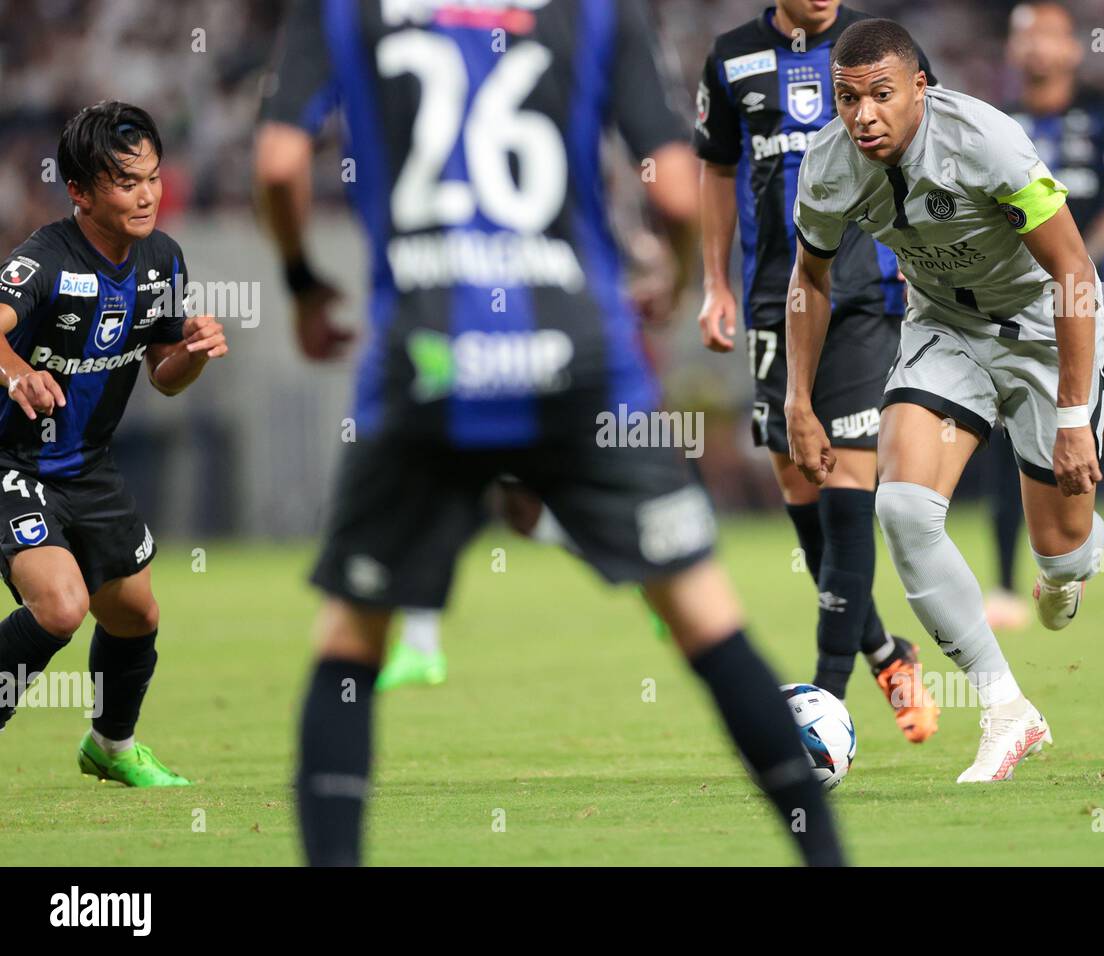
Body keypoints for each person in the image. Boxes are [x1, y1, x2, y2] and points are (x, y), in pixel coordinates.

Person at [255, 0, 844, 865]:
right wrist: (676, 277)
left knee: (352, 640)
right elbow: (678, 187)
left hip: (428, 362)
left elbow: (276, 164)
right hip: (580, 362)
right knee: (703, 616)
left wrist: (305, 284)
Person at [788, 18, 1104, 782]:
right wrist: (798, 397)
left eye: (881, 95)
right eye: (846, 98)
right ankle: (1007, 710)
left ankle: (1068, 569)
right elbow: (811, 279)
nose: (862, 115)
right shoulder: (829, 164)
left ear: (920, 90)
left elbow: (1074, 270)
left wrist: (1070, 418)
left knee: (1059, 550)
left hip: (1037, 329)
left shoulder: (986, 140)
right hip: (944, 331)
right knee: (899, 508)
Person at [694, 0, 939, 741]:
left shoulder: (875, 45)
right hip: (777, 298)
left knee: (846, 486)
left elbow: (934, 142)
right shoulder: (732, 56)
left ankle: (824, 706)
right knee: (803, 488)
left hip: (866, 293)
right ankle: (886, 652)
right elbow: (715, 169)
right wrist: (715, 283)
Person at [0, 101, 227, 785]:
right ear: (81, 193)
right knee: (61, 606)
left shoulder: (162, 259)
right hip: (13, 463)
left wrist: (194, 353)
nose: (147, 194)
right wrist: (16, 375)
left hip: (89, 471)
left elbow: (163, 376)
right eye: (127, 182)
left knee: (136, 615)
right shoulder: (44, 257)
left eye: (153, 177)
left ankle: (111, 745)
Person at [984, 1, 1104, 631]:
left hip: (1102, 297)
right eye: (1026, 38)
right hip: (1018, 301)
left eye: (1049, 36)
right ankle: (1007, 585)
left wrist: (1076, 264)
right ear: (1012, 52)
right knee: (1009, 431)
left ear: (1073, 49)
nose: (1038, 48)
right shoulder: (999, 123)